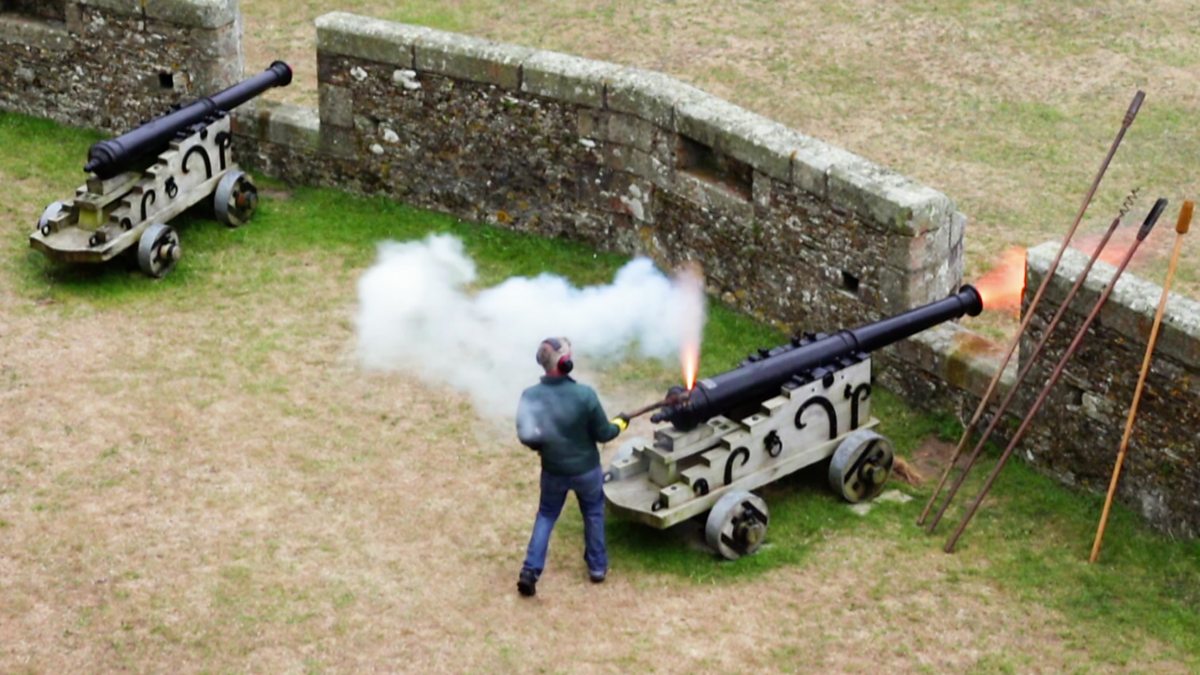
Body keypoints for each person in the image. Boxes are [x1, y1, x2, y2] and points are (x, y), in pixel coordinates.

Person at [514, 337, 628, 597]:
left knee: (546, 516)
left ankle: (530, 571)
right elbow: (605, 433)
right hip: (587, 471)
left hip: (553, 471)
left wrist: (542, 448)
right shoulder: (584, 395)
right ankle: (597, 568)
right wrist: (621, 423)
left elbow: (525, 434)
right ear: (565, 363)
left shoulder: (530, 396)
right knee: (594, 513)